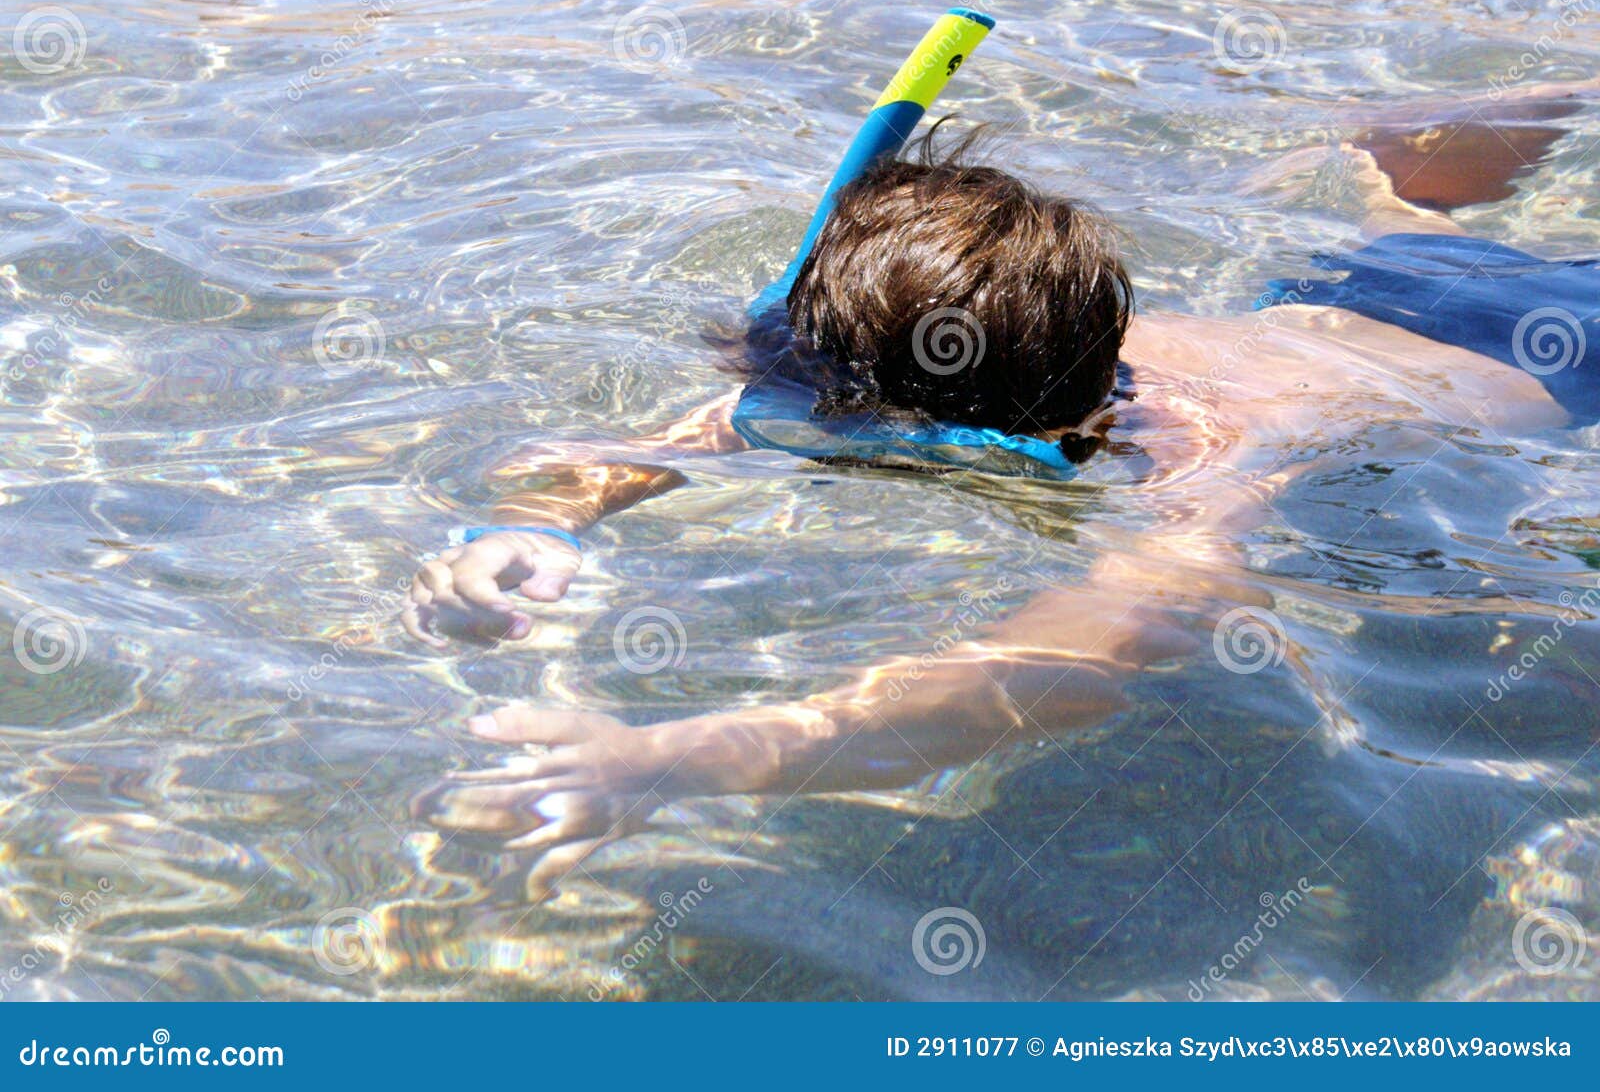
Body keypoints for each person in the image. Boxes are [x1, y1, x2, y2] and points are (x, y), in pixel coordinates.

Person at [404, 93, 1586, 901]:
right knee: (1404, 213)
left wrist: (678, 758)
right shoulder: (1003, 363)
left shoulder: (1213, 456)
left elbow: (1094, 646)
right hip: (1359, 291)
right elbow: (708, 426)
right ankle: (1458, 140)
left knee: (1452, 235)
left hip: (1548, 357)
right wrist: (541, 519)